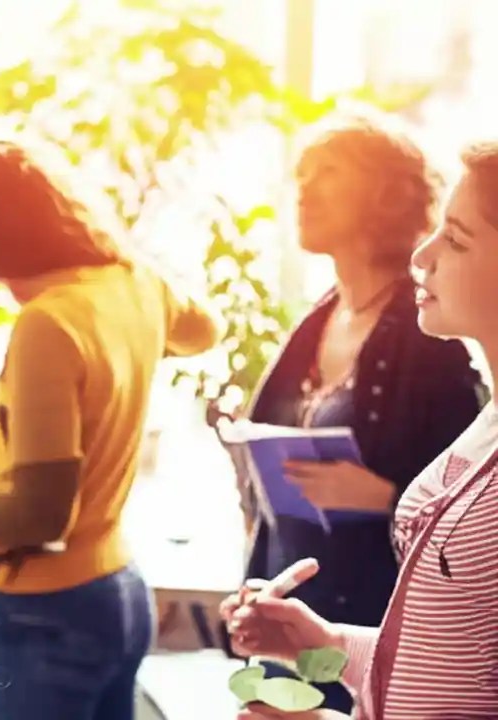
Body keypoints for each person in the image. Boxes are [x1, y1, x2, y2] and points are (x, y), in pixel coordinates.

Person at [0, 140, 221, 718]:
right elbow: (204, 331)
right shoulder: (135, 282)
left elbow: (41, 516)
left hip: (48, 614)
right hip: (119, 589)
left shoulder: (49, 322)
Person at [222, 141, 498, 720]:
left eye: (457, 238)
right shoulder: (486, 427)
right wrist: (328, 643)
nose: (424, 256)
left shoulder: (430, 360)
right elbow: (445, 663)